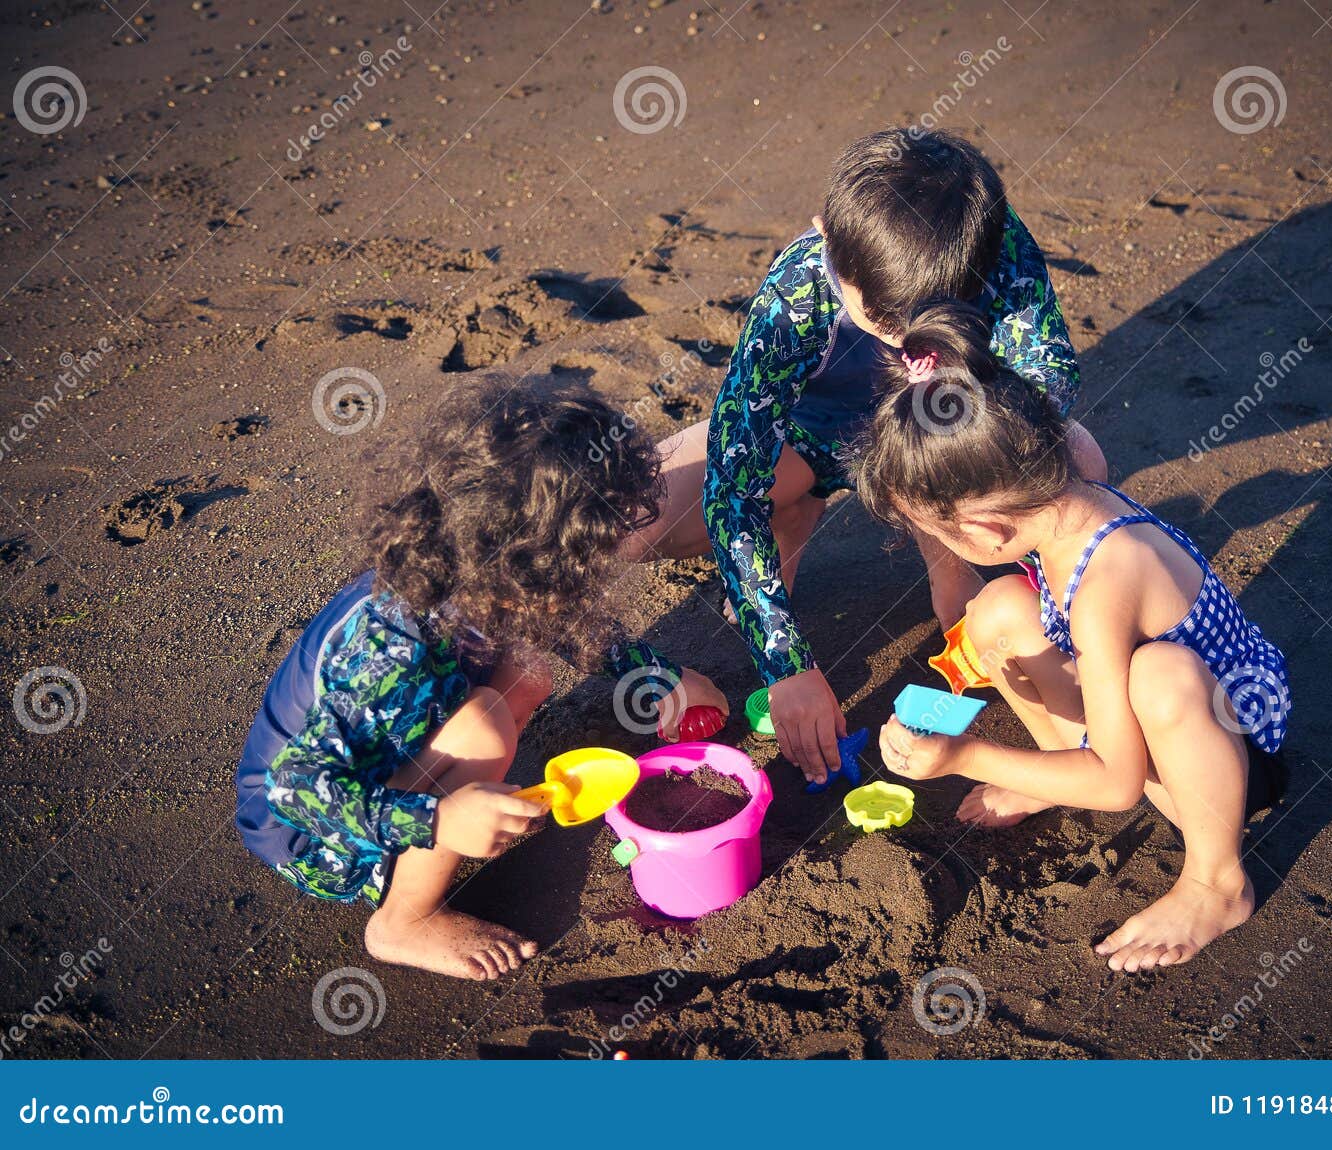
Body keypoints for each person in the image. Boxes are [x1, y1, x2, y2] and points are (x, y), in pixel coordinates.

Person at [626, 128, 1105, 783]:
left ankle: (1004, 605)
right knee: (632, 516)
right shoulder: (798, 293)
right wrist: (788, 666)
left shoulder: (992, 240)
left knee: (1077, 463)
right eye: (881, 319)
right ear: (827, 236)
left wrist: (953, 443)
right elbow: (734, 489)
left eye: (922, 317)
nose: (902, 339)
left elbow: (1048, 377)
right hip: (809, 437)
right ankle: (795, 539)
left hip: (936, 430)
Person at [233, 379, 725, 980]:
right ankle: (404, 918)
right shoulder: (388, 649)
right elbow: (293, 789)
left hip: (385, 750)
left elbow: (564, 626)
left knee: (525, 673)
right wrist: (438, 820)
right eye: (589, 555)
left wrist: (660, 675)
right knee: (486, 728)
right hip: (313, 832)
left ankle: (454, 783)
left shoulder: (468, 568)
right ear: (532, 558)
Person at [855, 301, 1290, 972]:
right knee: (999, 607)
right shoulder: (1060, 480)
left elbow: (1119, 786)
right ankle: (1057, 773)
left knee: (1160, 676)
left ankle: (1217, 881)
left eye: (937, 534)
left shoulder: (1105, 583)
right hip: (1136, 717)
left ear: (985, 531)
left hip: (1225, 762)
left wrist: (963, 755)